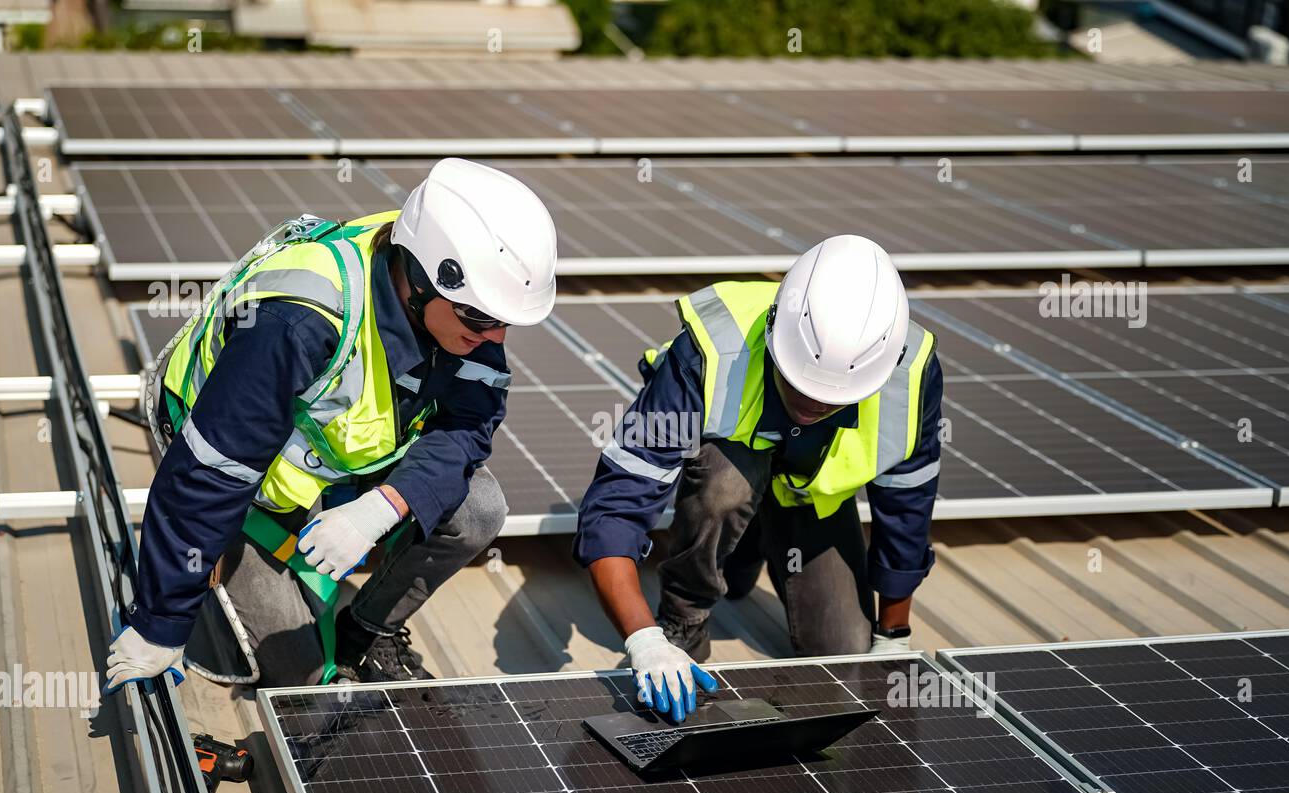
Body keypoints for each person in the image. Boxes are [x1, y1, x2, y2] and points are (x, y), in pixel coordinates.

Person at [105, 158, 558, 691]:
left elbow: (466, 431)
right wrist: (160, 624)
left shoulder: (471, 317)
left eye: (506, 321)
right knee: (299, 676)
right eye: (481, 318)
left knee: (479, 509)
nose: (497, 339)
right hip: (236, 475)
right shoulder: (297, 321)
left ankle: (368, 630)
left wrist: (381, 508)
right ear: (419, 278)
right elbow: (211, 470)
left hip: (336, 463)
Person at [575, 235, 942, 722]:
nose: (813, 404)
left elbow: (907, 509)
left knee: (843, 651)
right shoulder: (709, 352)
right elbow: (617, 504)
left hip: (805, 500)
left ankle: (749, 543)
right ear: (775, 336)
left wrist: (892, 638)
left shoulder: (909, 377)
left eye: (832, 398)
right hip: (728, 481)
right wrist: (645, 642)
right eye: (799, 382)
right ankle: (683, 621)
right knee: (726, 487)